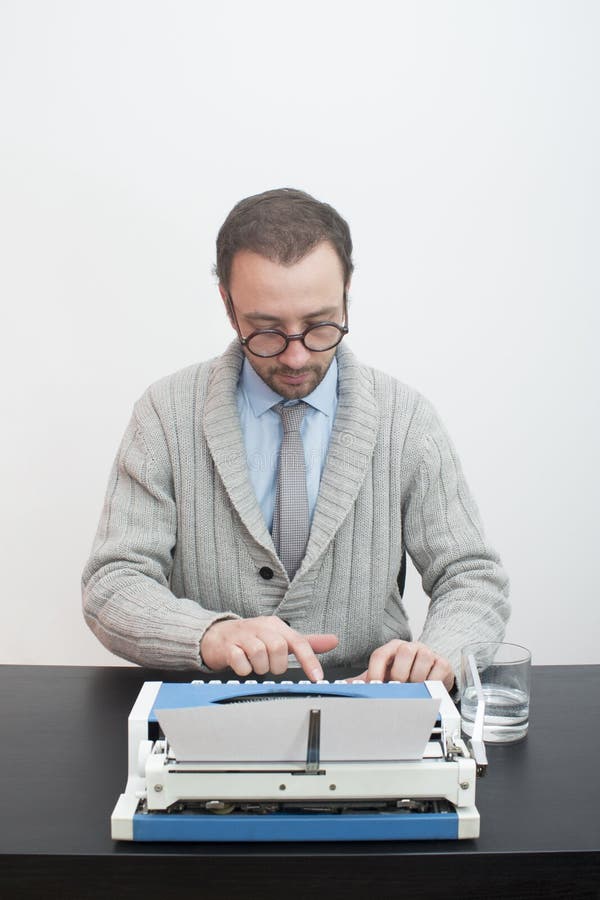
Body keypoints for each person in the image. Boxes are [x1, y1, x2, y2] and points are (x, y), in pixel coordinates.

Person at [82, 188, 510, 688]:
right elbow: (113, 582)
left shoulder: (407, 419)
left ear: (347, 294)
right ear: (228, 305)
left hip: (370, 701)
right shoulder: (165, 414)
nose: (296, 357)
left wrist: (439, 656)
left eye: (319, 325)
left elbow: (471, 576)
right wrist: (208, 635)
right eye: (266, 329)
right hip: (205, 704)